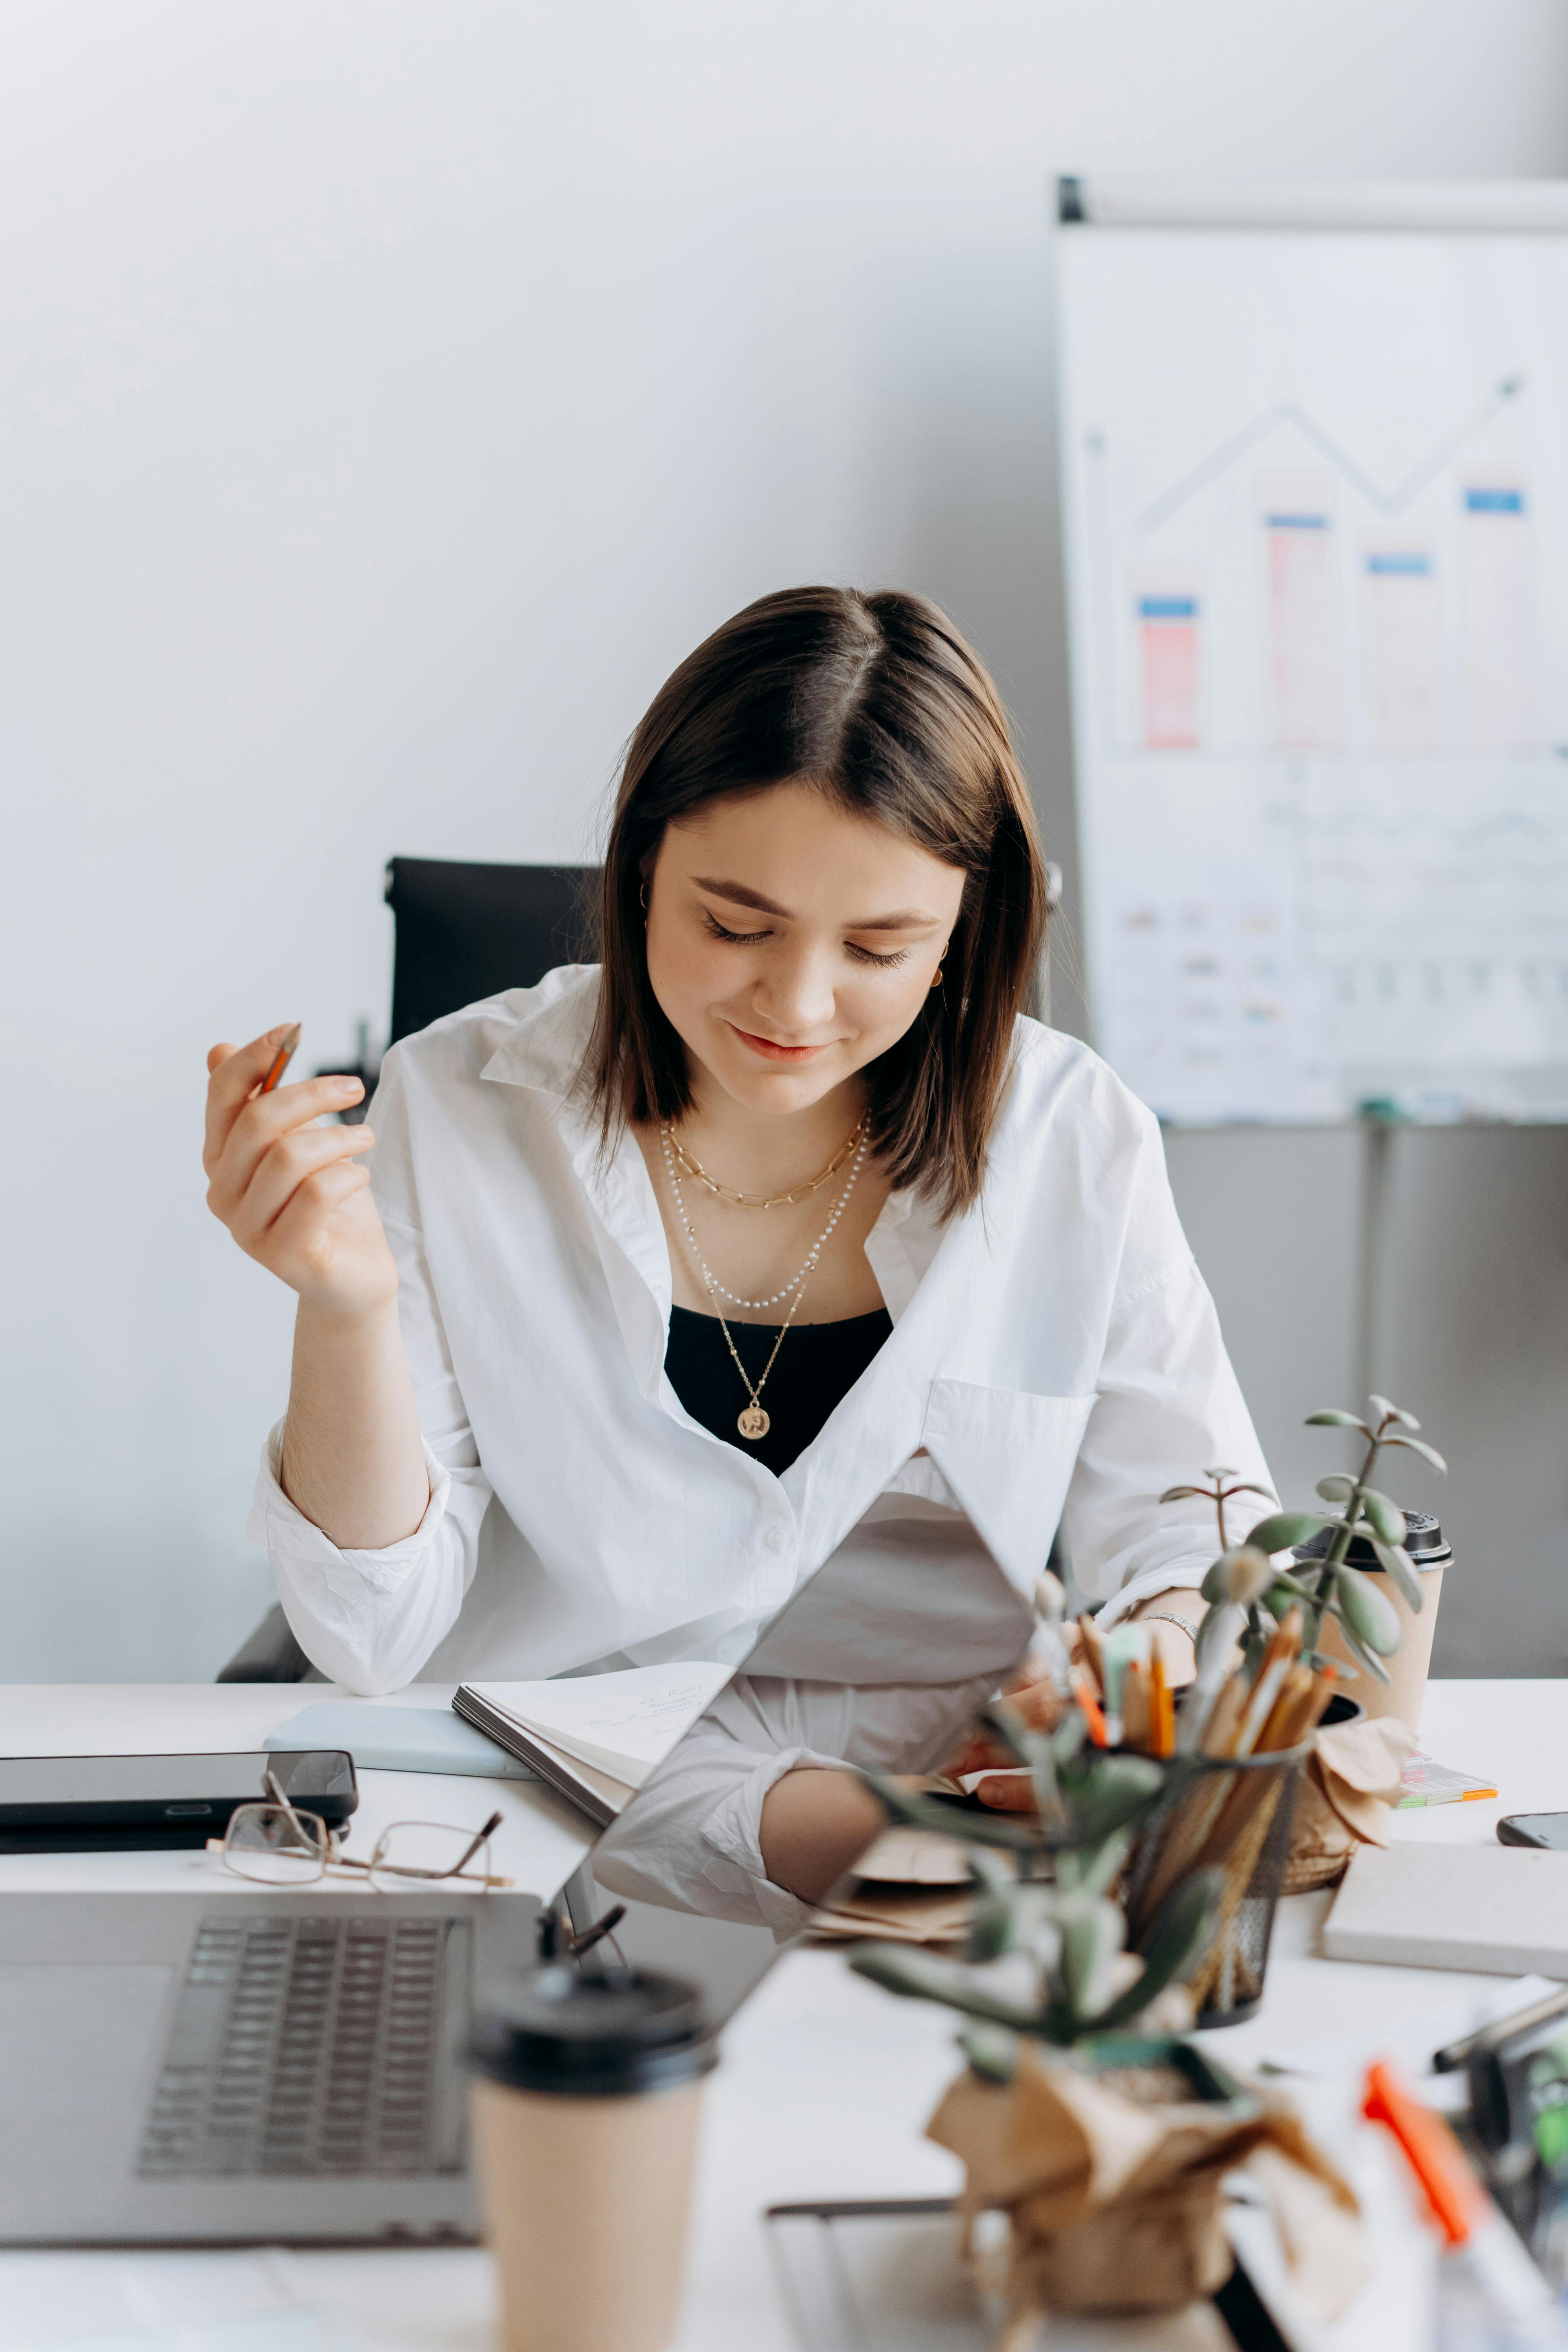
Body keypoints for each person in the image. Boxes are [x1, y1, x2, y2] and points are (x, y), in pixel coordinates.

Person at [204, 586, 1274, 1930]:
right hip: (515, 1852)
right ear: (644, 864)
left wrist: (1144, 1664)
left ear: (961, 937)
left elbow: (1206, 1533)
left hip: (943, 1874)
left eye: (880, 948)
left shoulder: (1073, 1137)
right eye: (736, 925)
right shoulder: (455, 1105)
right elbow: (369, 1636)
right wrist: (342, 1304)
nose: (798, 1005)